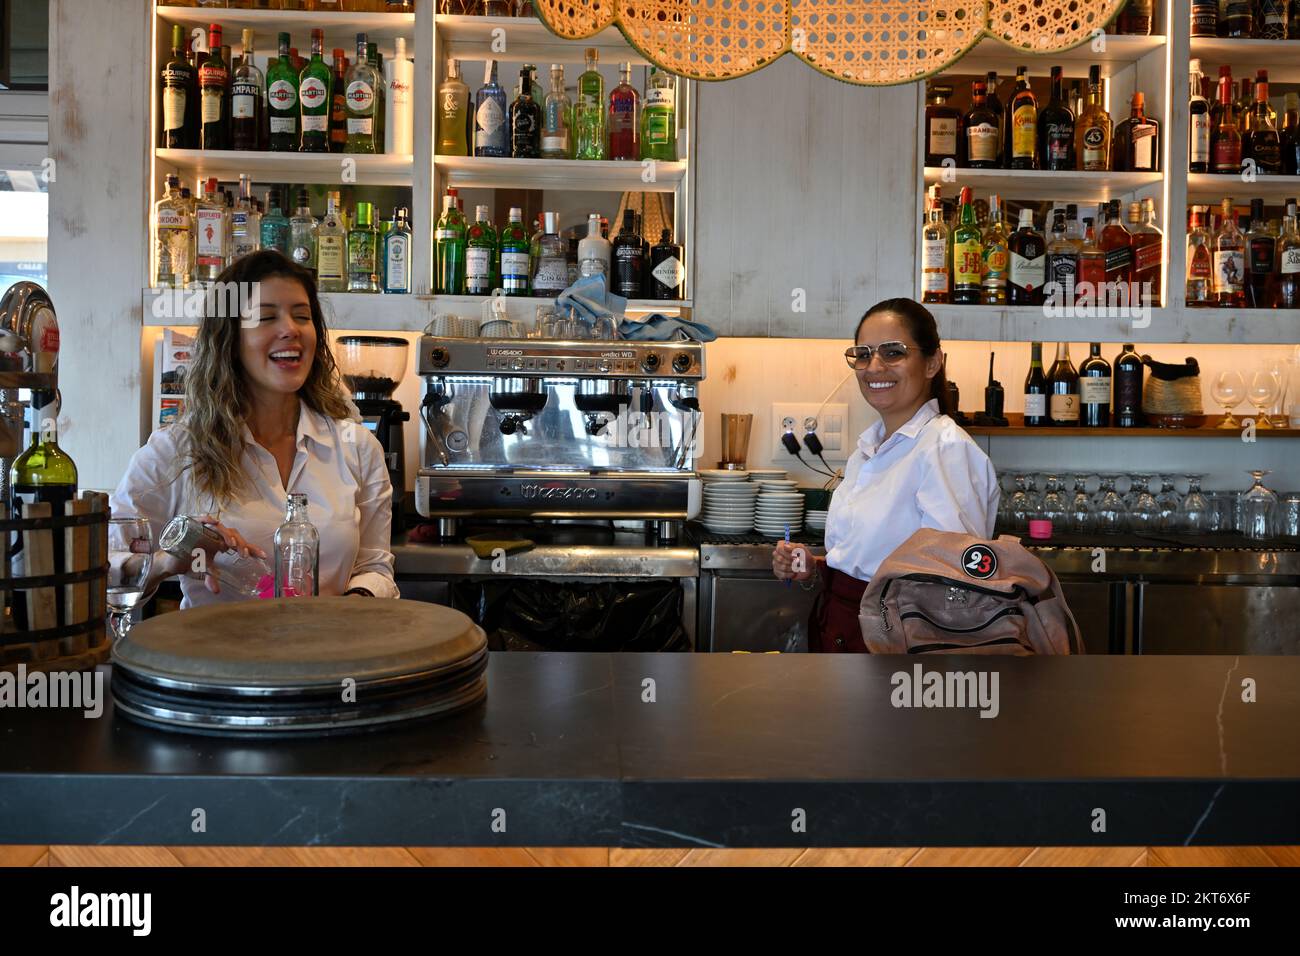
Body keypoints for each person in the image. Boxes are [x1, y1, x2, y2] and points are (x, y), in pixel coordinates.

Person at [111, 250, 398, 607]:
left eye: (302, 316)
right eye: (266, 317)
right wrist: (167, 560)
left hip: (329, 658)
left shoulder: (357, 448)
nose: (290, 330)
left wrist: (354, 604)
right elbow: (106, 573)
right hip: (218, 660)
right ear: (229, 338)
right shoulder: (176, 452)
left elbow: (375, 567)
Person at [772, 298, 998, 652]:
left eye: (893, 352)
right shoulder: (869, 448)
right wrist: (815, 566)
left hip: (894, 645)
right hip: (842, 628)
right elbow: (869, 560)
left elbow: (956, 584)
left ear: (932, 363)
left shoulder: (945, 448)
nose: (874, 366)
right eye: (863, 354)